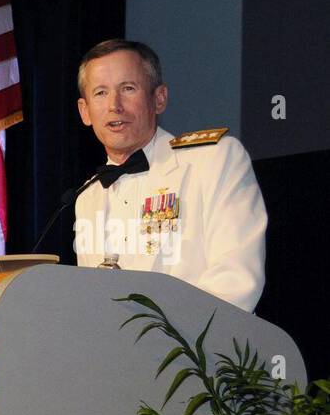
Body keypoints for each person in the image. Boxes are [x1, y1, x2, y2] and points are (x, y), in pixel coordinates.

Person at [72, 39, 266, 312]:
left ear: (159, 98)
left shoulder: (214, 159)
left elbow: (236, 280)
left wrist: (161, 343)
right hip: (117, 353)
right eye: (101, 93)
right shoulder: (87, 197)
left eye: (128, 88)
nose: (114, 105)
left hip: (200, 350)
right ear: (85, 111)